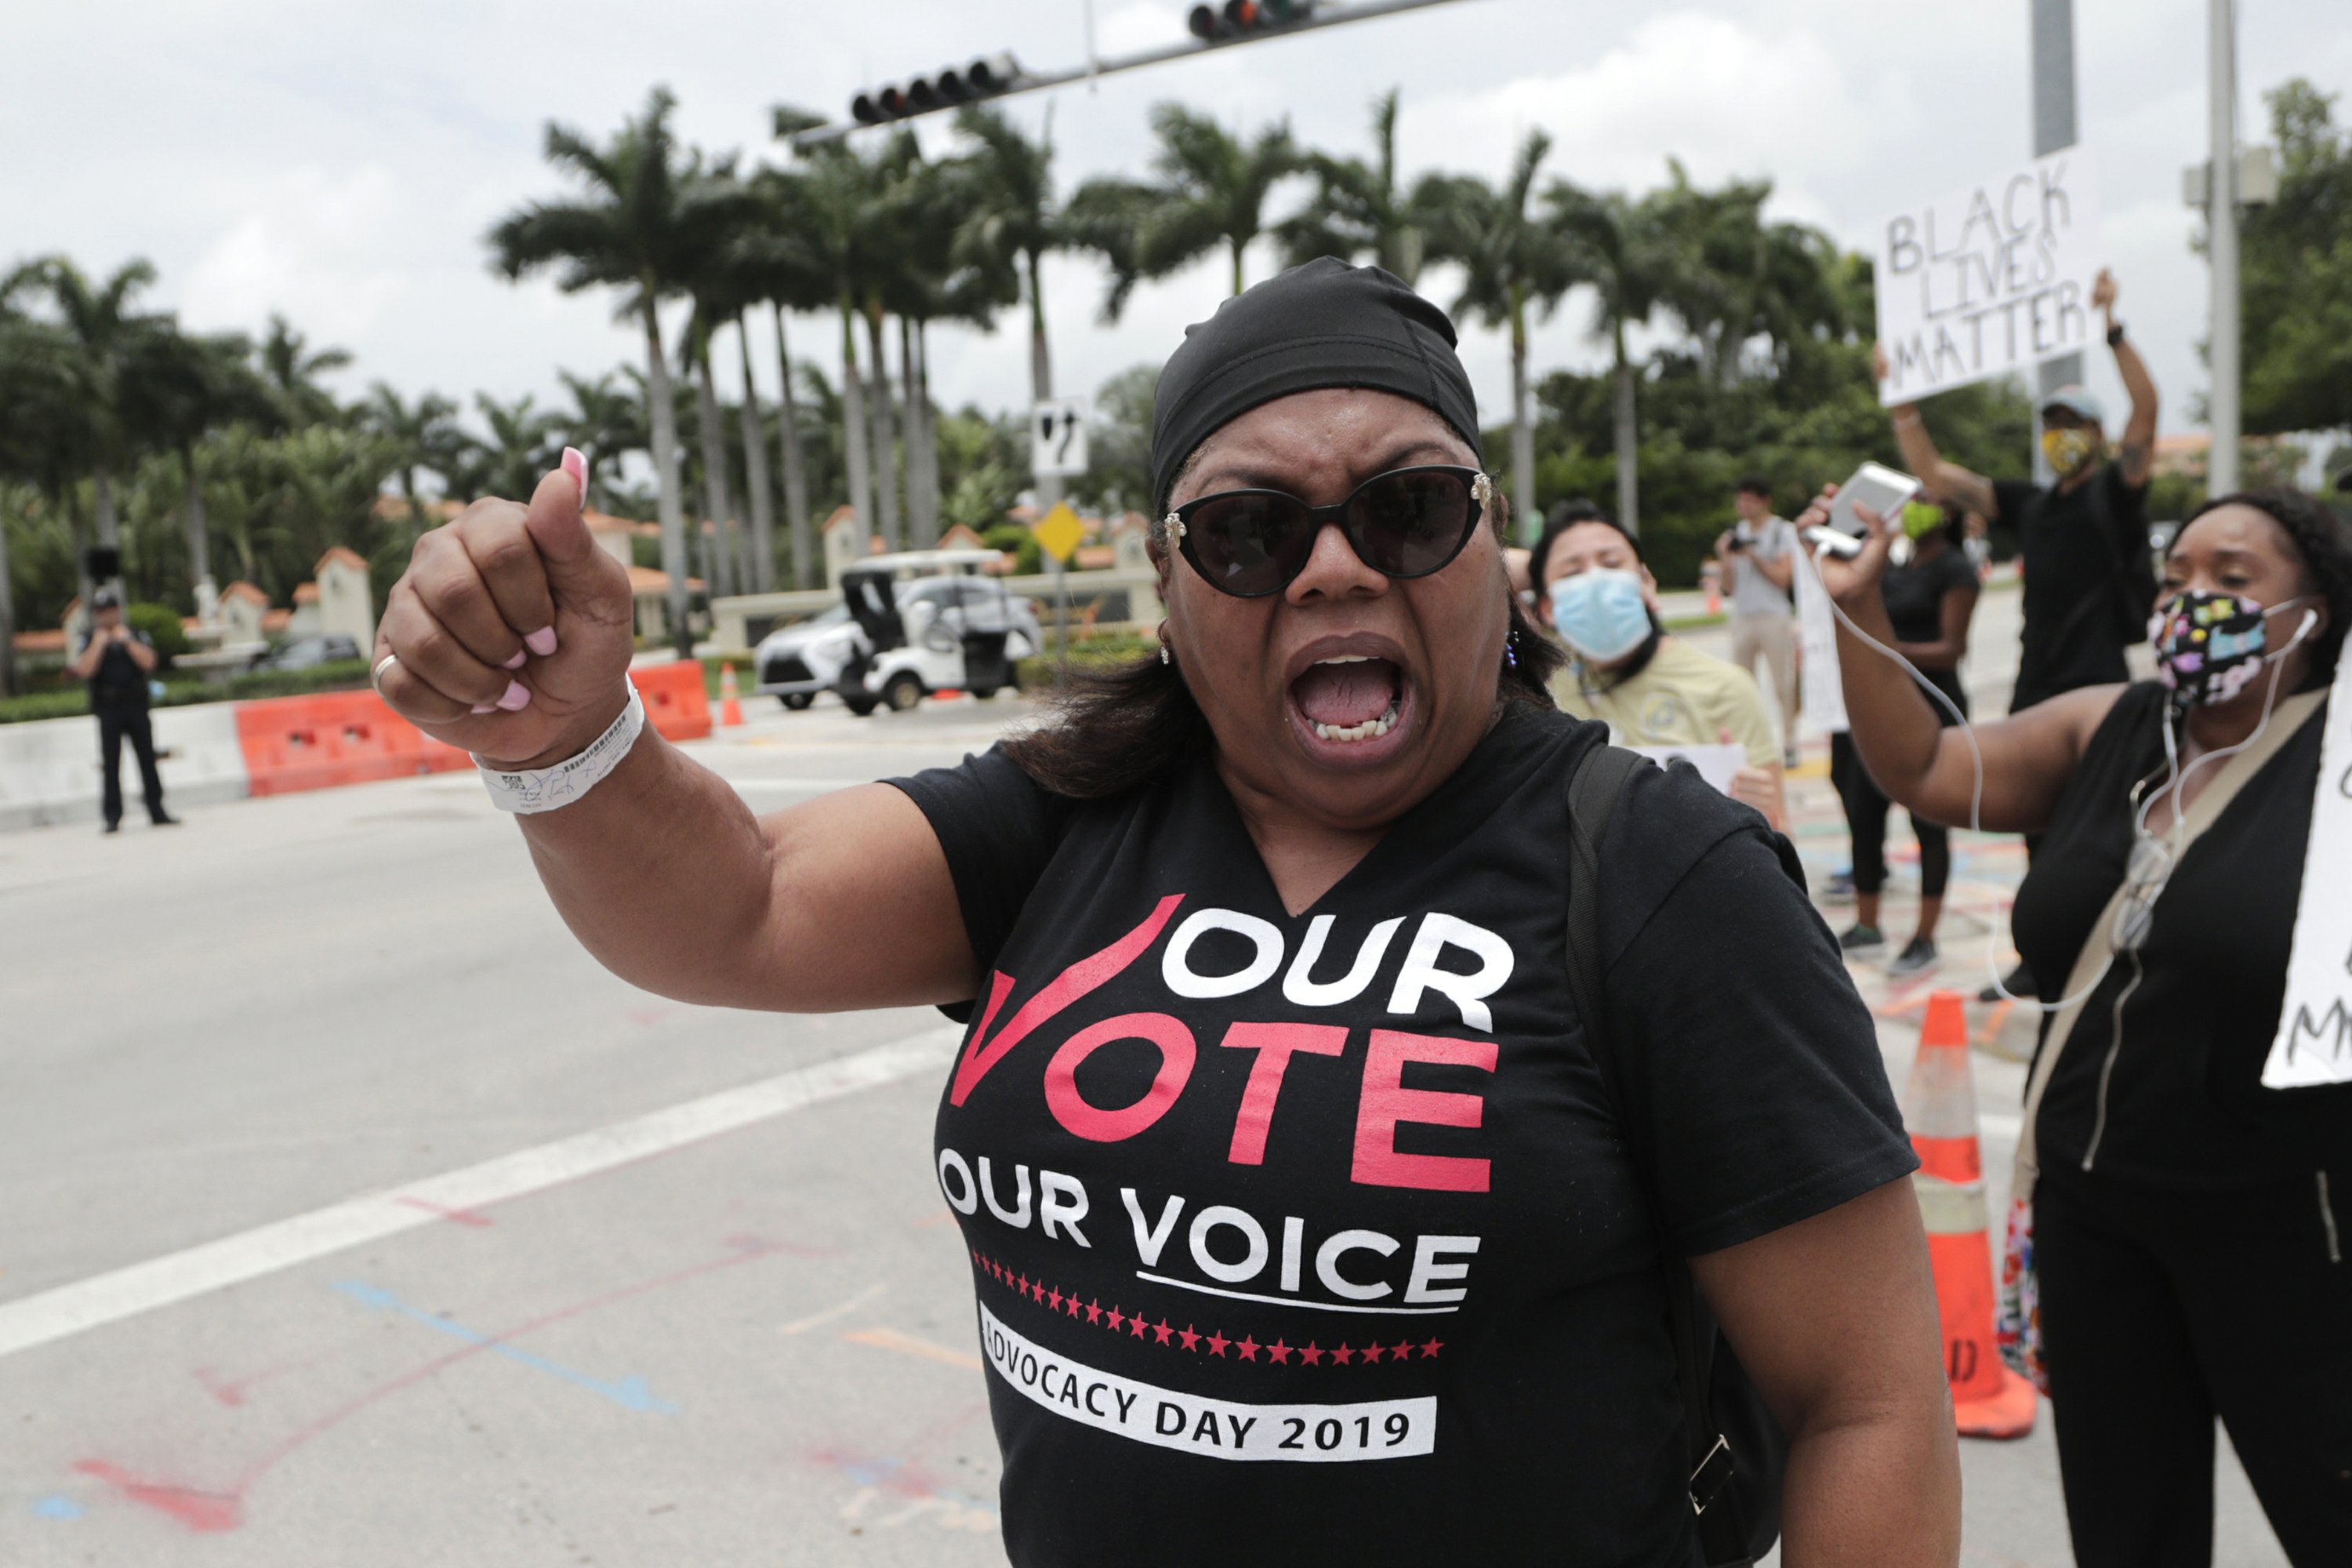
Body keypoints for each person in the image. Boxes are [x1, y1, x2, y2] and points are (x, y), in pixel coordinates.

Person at [372, 258, 1959, 1566]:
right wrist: (564, 740)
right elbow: (739, 910)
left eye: (1407, 510)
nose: (1331, 570)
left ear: (1494, 551)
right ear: (1169, 584)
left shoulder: (1665, 879)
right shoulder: (1066, 818)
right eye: (1250, 532)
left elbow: (1867, 1408)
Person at [1815, 480, 2352, 1568]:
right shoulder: (2111, 724)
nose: (2192, 599)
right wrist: (1856, 606)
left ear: (2314, 613)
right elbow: (1922, 767)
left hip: (2288, 1231)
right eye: (2177, 575)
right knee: (2128, 1534)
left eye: (2233, 578)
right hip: (2091, 1218)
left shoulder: (2334, 764)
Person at [1881, 266, 2158, 997]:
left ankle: (2109, 948)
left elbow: (2147, 413)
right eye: (2051, 425)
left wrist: (2111, 327)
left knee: (2102, 825)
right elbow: (1937, 473)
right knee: (2038, 828)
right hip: (2038, 681)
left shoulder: (2116, 493)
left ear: (2096, 435)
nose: (2060, 436)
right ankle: (2044, 955)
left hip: (2098, 684)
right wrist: (1902, 404)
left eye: (2073, 424)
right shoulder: (2031, 503)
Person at [1534, 506, 1788, 827]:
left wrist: (1762, 817)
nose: (1595, 582)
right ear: (1547, 606)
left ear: (1645, 582)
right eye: (1572, 573)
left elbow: (1782, 839)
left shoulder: (1725, 687)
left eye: (1611, 564)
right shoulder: (1539, 691)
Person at [1827, 500, 1981, 977]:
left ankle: (1925, 937)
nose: (1914, 509)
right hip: (1880, 705)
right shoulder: (1896, 565)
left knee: (1929, 823)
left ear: (1949, 513)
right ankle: (1867, 924)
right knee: (1863, 813)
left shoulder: (1956, 570)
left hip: (1932, 708)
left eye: (1926, 501)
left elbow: (1950, 649)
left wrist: (1885, 651)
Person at [67, 588, 177, 834]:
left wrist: (127, 641)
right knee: (111, 763)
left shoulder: (135, 634)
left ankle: (157, 809)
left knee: (147, 758)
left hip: (136, 705)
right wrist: (98, 644)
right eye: (99, 611)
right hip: (108, 708)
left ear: (117, 611)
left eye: (108, 610)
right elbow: (83, 670)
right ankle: (112, 816)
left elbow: (150, 662)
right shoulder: (89, 639)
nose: (104, 615)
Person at [1715, 475, 1801, 764]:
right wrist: (1726, 557)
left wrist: (1753, 555)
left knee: (1783, 684)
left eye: (1750, 500)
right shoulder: (1735, 532)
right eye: (1741, 500)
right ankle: (1748, 745)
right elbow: (1729, 588)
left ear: (1765, 501)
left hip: (1774, 615)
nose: (1744, 505)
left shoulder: (1781, 531)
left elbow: (1783, 578)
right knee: (1742, 687)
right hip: (1743, 616)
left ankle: (1790, 741)